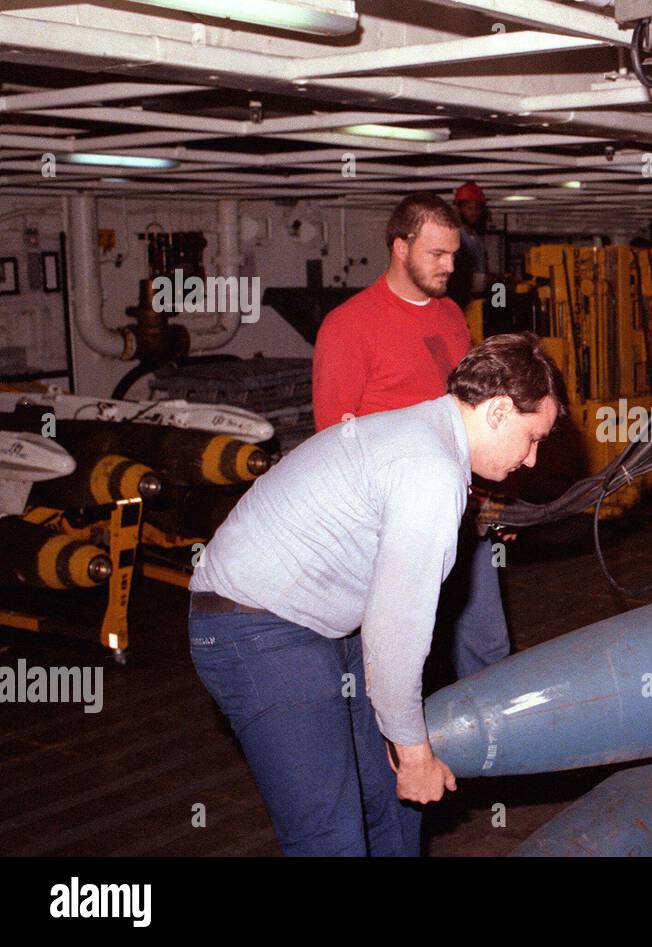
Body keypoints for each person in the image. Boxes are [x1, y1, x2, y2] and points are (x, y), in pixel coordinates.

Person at [189, 334, 565, 856]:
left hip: (318, 623)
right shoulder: (432, 469)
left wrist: (405, 744)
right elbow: (396, 631)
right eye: (532, 438)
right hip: (253, 628)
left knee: (388, 799)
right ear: (500, 412)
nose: (531, 459)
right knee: (331, 834)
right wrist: (414, 754)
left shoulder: (425, 433)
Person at [313, 192, 510, 681]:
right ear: (400, 247)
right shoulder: (348, 326)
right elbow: (332, 443)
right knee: (404, 659)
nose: (449, 266)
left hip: (460, 511)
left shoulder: (450, 317)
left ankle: (493, 752)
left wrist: (488, 493)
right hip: (392, 525)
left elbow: (465, 417)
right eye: (436, 255)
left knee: (487, 642)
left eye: (453, 256)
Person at [449, 181, 489, 310]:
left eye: (477, 208)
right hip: (458, 300)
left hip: (474, 300)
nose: (474, 212)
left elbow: (478, 273)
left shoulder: (477, 239)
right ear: (459, 209)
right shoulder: (454, 236)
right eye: (469, 208)